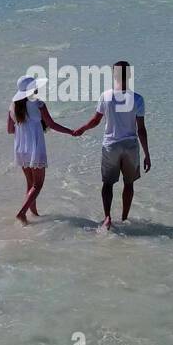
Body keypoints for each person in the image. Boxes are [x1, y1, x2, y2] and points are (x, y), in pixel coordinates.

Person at [72, 61, 150, 230]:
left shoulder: (105, 96)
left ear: (114, 75)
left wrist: (82, 129)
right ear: (129, 75)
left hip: (111, 146)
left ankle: (107, 217)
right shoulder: (137, 98)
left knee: (108, 184)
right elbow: (141, 129)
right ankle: (124, 218)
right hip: (130, 145)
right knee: (128, 184)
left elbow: (95, 120)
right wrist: (147, 154)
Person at [7, 75, 75, 224]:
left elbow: (10, 130)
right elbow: (51, 124)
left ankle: (34, 214)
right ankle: (22, 213)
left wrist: (24, 128)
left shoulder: (12, 106)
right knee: (38, 184)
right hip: (35, 147)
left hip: (20, 148)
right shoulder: (38, 104)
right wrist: (71, 131)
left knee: (30, 183)